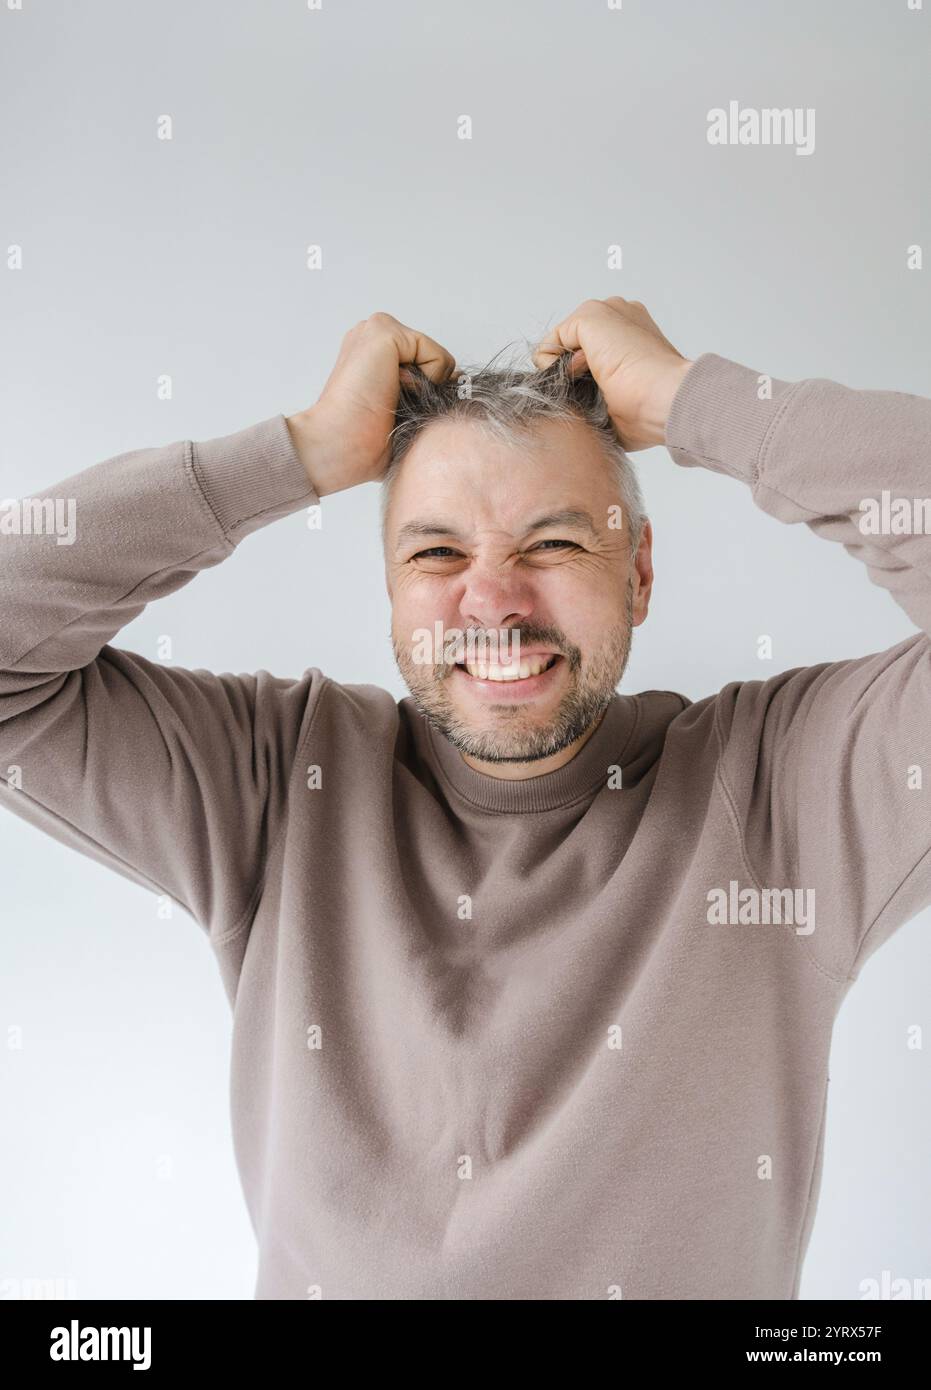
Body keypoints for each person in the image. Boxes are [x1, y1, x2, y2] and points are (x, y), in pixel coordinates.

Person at [1, 297, 928, 1300]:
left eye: (557, 545)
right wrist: (297, 454)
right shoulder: (277, 778)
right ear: (389, 585)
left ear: (641, 574)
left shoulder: (781, 790)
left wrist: (690, 397)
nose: (491, 602)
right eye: (437, 553)